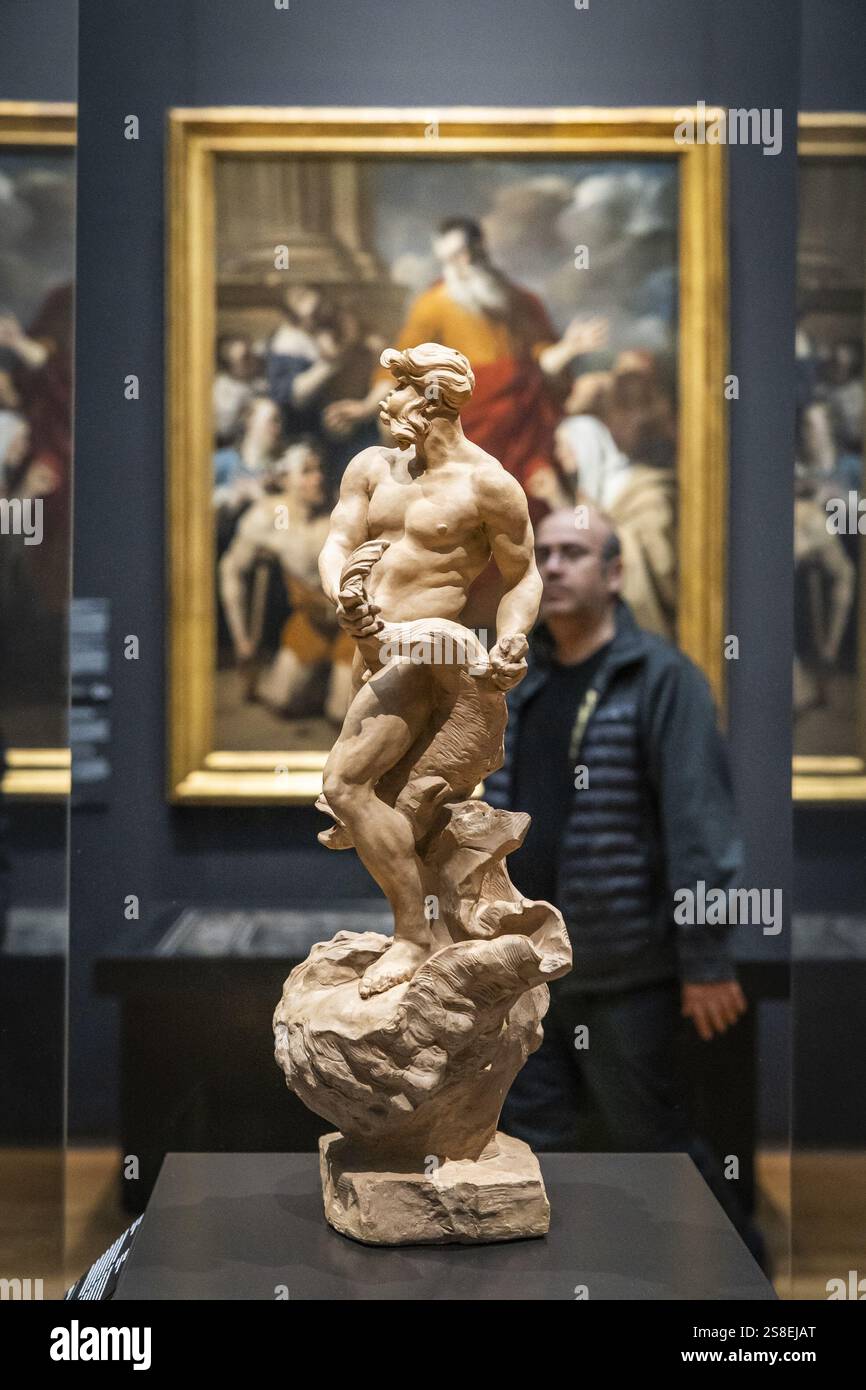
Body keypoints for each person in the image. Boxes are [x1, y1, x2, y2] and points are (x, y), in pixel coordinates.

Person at [484, 505, 764, 1261]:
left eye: (575, 553)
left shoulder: (661, 678)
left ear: (614, 573)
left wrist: (705, 958)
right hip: (523, 973)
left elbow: (699, 825)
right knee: (535, 1153)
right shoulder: (518, 679)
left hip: (626, 970)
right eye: (544, 553)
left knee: (656, 1152)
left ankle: (745, 1298)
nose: (554, 567)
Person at [317, 340, 541, 998]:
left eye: (403, 385)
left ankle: (414, 935)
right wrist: (342, 593)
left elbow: (523, 577)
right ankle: (440, 927)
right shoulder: (371, 467)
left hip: (432, 658)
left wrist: (513, 639)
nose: (388, 398)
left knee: (346, 785)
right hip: (374, 652)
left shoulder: (487, 483)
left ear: (438, 398)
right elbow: (338, 540)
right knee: (401, 811)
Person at [324, 217, 607, 509]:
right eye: (449, 259)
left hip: (522, 425)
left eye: (463, 253)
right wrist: (367, 405)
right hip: (468, 427)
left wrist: (568, 348)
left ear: (480, 247)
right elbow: (400, 362)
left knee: (528, 503)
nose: (460, 264)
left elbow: (541, 361)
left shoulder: (520, 301)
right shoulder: (434, 304)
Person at [218, 439, 352, 722]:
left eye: (319, 471)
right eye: (306, 472)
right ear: (284, 479)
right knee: (281, 699)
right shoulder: (267, 516)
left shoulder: (344, 510)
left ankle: (333, 680)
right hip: (311, 620)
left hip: (352, 624)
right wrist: (242, 641)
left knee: (342, 712)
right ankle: (318, 677)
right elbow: (232, 570)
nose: (317, 479)